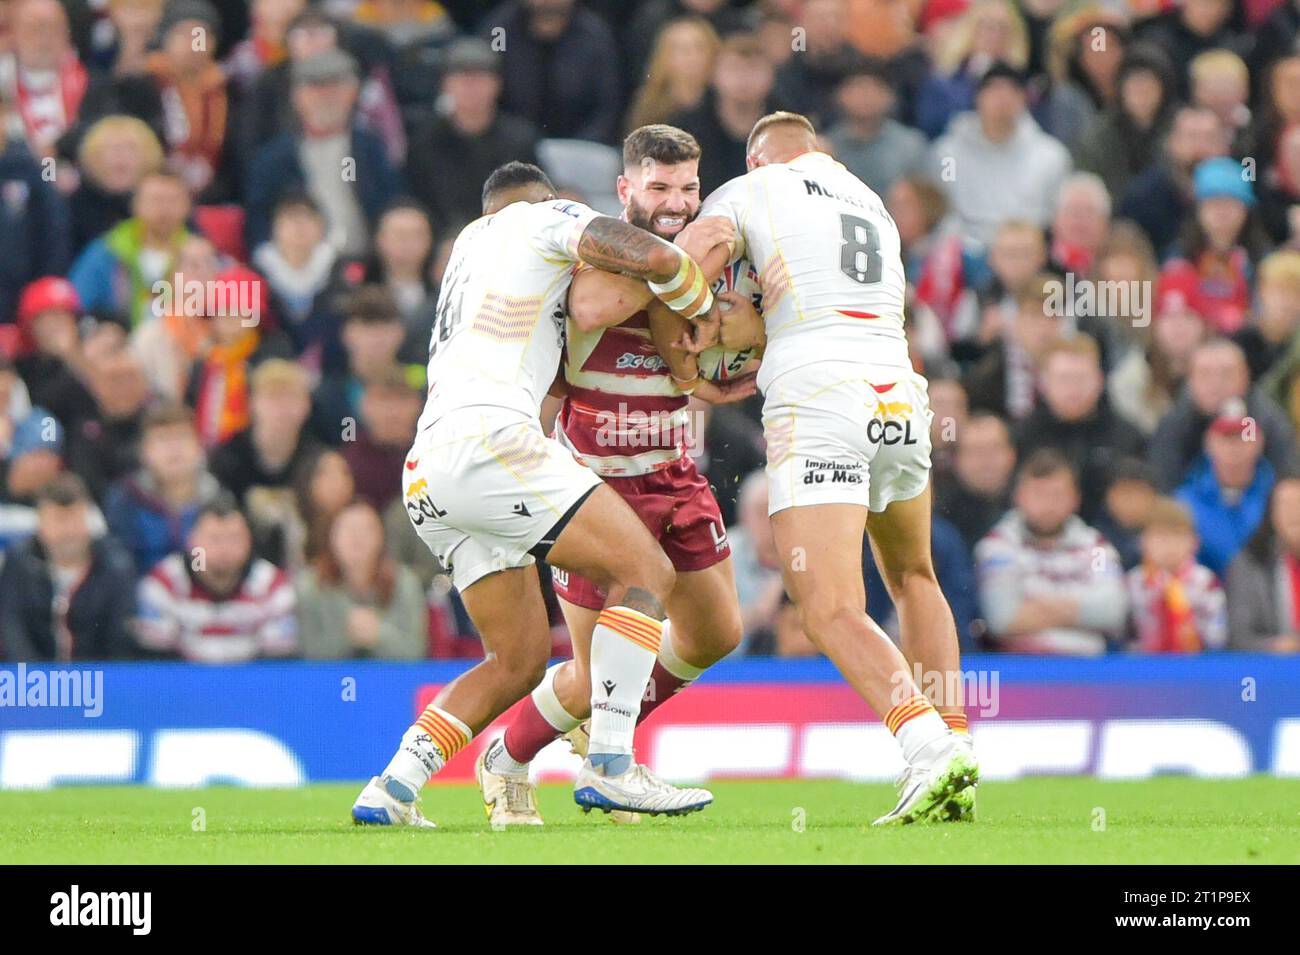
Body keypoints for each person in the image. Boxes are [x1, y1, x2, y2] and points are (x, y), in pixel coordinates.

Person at [351, 161, 724, 828]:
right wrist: (694, 294)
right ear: (542, 203)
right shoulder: (541, 218)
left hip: (429, 469)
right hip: (492, 442)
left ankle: (394, 784)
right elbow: (634, 247)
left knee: (518, 659)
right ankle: (612, 763)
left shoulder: (467, 249)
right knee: (646, 570)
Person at [688, 112, 979, 824]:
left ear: (760, 158)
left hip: (819, 398)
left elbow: (692, 258)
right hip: (900, 392)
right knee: (915, 577)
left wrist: (677, 330)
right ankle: (960, 754)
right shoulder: (869, 202)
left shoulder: (751, 190)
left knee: (826, 605)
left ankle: (924, 745)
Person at [481, 125, 751, 827]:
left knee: (718, 630)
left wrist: (721, 338)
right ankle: (512, 756)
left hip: (673, 471)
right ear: (625, 190)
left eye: (688, 188)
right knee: (580, 671)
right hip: (594, 488)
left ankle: (608, 731)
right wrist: (693, 298)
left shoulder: (705, 253)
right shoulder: (597, 264)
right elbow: (596, 310)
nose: (676, 202)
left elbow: (741, 328)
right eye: (659, 187)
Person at [975, 449, 1127, 655]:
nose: (1048, 504)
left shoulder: (1097, 548)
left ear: (1075, 498)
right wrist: (1080, 609)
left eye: (1057, 494)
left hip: (1088, 671)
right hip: (1018, 671)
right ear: (1019, 496)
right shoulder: (997, 547)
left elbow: (1111, 611)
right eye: (1038, 494)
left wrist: (1033, 605)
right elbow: (1002, 619)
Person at [134, 493, 299, 661]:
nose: (224, 548)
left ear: (249, 542)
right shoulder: (163, 583)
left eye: (234, 539)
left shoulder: (272, 585)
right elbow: (155, 662)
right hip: (182, 684)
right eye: (214, 539)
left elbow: (277, 664)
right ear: (192, 541)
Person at [0, 473, 136, 661]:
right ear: (40, 524)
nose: (68, 531)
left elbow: (120, 638)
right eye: (58, 520)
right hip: (33, 681)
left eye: (75, 519)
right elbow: (13, 630)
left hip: (98, 680)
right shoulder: (20, 564)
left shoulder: (114, 566)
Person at [294, 499, 427, 659]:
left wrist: (378, 633)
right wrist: (347, 633)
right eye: (348, 529)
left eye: (366, 529)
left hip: (390, 679)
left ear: (381, 537)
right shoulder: (311, 585)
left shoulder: (405, 582)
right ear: (331, 537)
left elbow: (416, 651)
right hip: (329, 681)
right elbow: (307, 652)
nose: (357, 538)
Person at [103, 403, 221, 576]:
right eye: (162, 439)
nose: (174, 449)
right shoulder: (124, 500)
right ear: (144, 452)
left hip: (199, 598)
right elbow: (120, 565)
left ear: (199, 447)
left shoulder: (217, 501)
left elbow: (209, 566)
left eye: (182, 438)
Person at [1175, 402, 1276, 577]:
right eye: (1226, 437)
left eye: (1244, 438)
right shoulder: (1184, 502)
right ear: (1208, 443)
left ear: (1259, 443)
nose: (1234, 447)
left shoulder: (1278, 498)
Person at [1126, 496, 1226, 652]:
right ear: (1143, 542)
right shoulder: (1134, 582)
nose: (1170, 545)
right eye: (1160, 536)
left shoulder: (1205, 582)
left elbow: (1217, 636)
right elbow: (1123, 635)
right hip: (1142, 667)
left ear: (1195, 542)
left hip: (1195, 664)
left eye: (1178, 536)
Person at [1225, 475, 1300, 652]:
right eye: (1286, 505)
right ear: (1271, 514)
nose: (1295, 512)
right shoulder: (1248, 564)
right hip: (1271, 669)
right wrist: (1273, 646)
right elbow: (1238, 636)